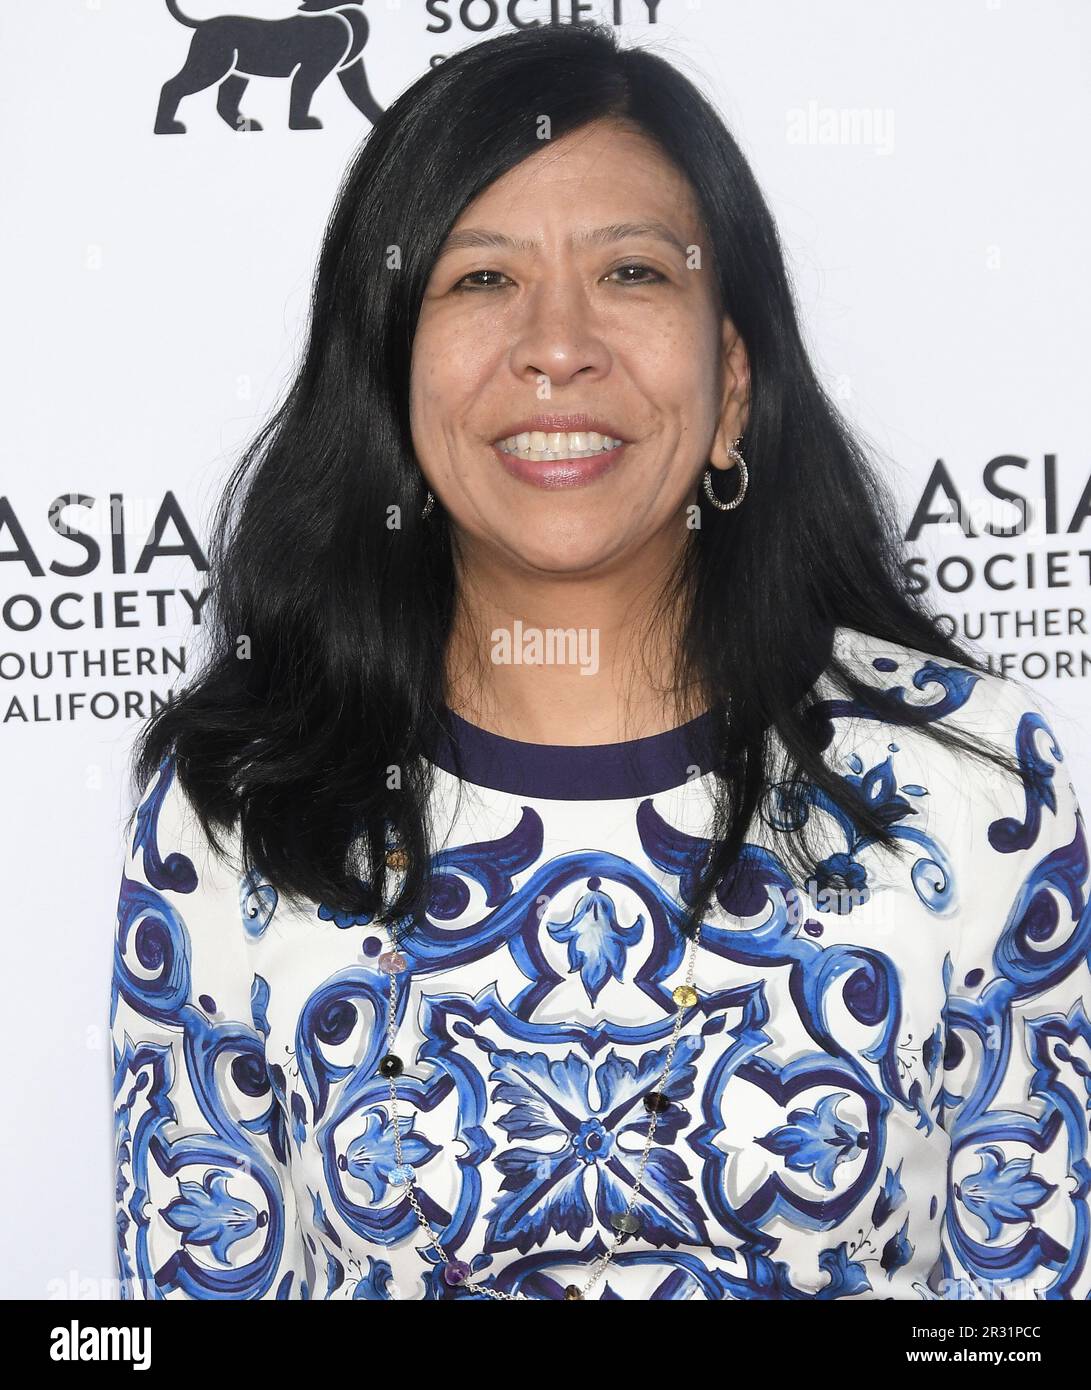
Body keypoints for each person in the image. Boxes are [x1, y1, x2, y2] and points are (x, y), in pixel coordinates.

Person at [109, 22, 1090, 1301]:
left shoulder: (974, 784)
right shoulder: (239, 806)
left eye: (630, 272)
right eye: (478, 281)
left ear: (731, 381)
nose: (556, 345)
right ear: (389, 384)